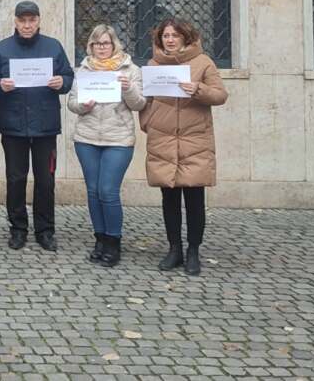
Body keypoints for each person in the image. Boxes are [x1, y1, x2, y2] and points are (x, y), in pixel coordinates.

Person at [140, 18, 227, 276]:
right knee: (169, 198)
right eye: (165, 35)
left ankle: (193, 251)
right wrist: (148, 122)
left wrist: (198, 89)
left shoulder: (203, 62)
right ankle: (174, 249)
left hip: (194, 140)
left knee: (194, 199)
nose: (170, 40)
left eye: (175, 35)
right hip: (163, 139)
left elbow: (220, 95)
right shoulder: (154, 65)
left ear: (185, 37)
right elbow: (146, 99)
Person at [0, 1, 74, 252]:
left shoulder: (53, 46)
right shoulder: (1, 48)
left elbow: (69, 76)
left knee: (45, 181)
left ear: (38, 21)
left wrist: (62, 82)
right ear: (15, 21)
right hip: (13, 125)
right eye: (22, 20)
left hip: (45, 126)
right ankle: (18, 229)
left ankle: (45, 231)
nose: (27, 25)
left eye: (31, 20)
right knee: (15, 180)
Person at [66, 25, 145, 268]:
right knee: (93, 191)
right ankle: (99, 238)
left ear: (114, 45)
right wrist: (83, 106)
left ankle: (113, 241)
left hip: (118, 139)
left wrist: (128, 89)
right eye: (96, 43)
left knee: (108, 190)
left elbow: (139, 104)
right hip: (87, 138)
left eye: (105, 43)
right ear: (91, 46)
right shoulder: (84, 70)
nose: (101, 47)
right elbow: (71, 103)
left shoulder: (130, 70)